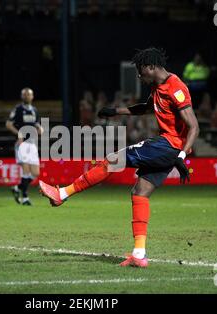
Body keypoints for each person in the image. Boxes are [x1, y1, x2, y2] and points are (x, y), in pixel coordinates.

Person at [39, 47, 199, 268]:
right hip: (169, 150)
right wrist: (116, 111)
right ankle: (139, 254)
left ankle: (62, 194)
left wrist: (182, 155)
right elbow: (146, 108)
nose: (139, 76)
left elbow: (194, 126)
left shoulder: (176, 87)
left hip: (168, 145)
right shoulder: (157, 87)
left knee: (112, 161)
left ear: (151, 67)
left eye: (141, 71)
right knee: (140, 193)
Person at [6, 87, 43, 206]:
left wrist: (40, 129)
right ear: (22, 97)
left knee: (36, 173)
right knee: (26, 170)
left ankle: (18, 187)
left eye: (29, 94)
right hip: (22, 143)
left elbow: (37, 124)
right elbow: (8, 124)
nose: (27, 96)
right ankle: (25, 197)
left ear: (32, 97)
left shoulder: (34, 110)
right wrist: (19, 133)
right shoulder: (18, 109)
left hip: (32, 143)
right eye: (25, 94)